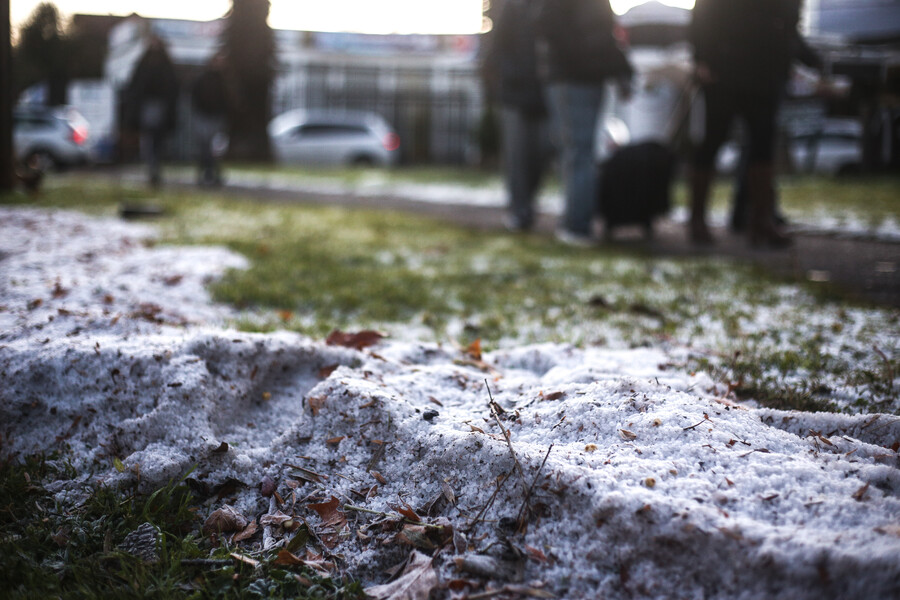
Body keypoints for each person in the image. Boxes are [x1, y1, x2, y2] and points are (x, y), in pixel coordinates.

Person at [688, 0, 804, 247]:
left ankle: (761, 220)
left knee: (763, 145)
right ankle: (697, 219)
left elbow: (789, 22)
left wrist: (793, 59)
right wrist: (702, 58)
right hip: (723, 70)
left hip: (766, 71)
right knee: (712, 141)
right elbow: (703, 14)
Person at [536, 0, 633, 245]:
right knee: (581, 151)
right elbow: (602, 33)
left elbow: (603, 33)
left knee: (578, 151)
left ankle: (576, 224)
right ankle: (576, 222)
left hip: (577, 75)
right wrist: (617, 69)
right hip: (579, 75)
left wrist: (618, 69)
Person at [482, 0, 548, 232]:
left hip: (544, 94)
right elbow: (497, 46)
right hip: (515, 92)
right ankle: (519, 210)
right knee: (517, 155)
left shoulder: (551, 6)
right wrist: (509, 75)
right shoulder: (513, 6)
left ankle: (528, 203)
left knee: (539, 154)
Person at [127, 35, 178, 188]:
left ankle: (155, 168)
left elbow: (172, 87)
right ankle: (153, 169)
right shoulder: (145, 63)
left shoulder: (164, 64)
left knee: (156, 140)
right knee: (150, 139)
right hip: (148, 106)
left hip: (160, 106)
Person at [191, 52, 231, 186]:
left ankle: (213, 173)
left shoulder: (224, 79)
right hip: (204, 116)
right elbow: (195, 95)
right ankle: (205, 173)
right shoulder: (204, 78)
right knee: (204, 146)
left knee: (215, 149)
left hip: (217, 117)